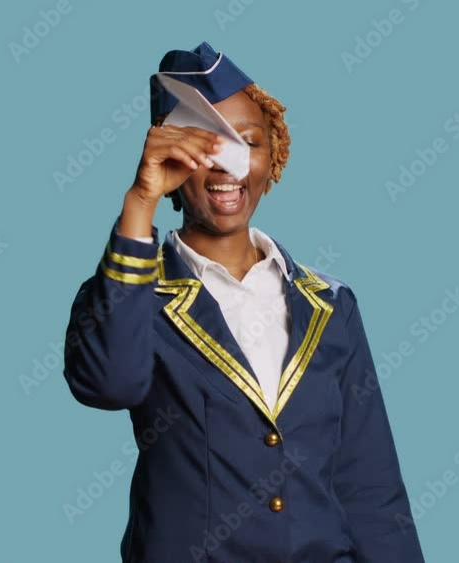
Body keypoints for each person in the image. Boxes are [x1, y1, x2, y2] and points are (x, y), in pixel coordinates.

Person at [63, 41, 426, 563]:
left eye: (247, 143)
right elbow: (109, 384)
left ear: (272, 155)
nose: (226, 167)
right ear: (171, 160)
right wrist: (139, 203)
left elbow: (369, 482)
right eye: (204, 146)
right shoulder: (130, 294)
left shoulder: (331, 304)